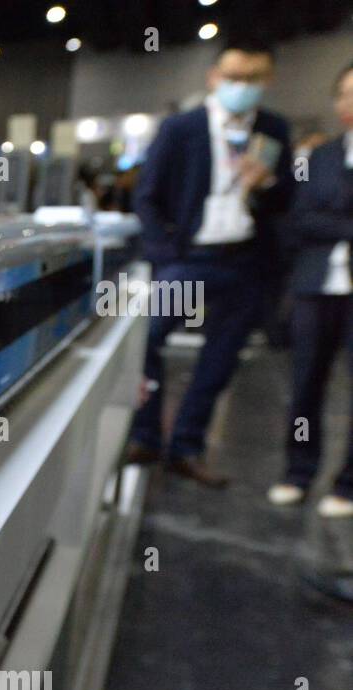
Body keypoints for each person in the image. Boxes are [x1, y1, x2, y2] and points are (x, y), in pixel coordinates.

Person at [128, 39, 293, 487]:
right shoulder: (181, 128)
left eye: (252, 78)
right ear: (214, 77)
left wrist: (268, 182)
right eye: (233, 77)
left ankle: (186, 447)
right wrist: (165, 257)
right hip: (189, 259)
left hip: (245, 262)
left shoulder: (273, 130)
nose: (241, 86)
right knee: (146, 338)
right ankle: (145, 435)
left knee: (219, 362)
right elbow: (145, 196)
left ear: (267, 80)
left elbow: (286, 202)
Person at [267, 62, 353, 518]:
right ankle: (297, 471)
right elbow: (299, 219)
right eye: (343, 94)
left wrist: (332, 225)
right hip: (316, 286)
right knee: (305, 386)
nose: (348, 103)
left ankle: (348, 484)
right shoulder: (317, 159)